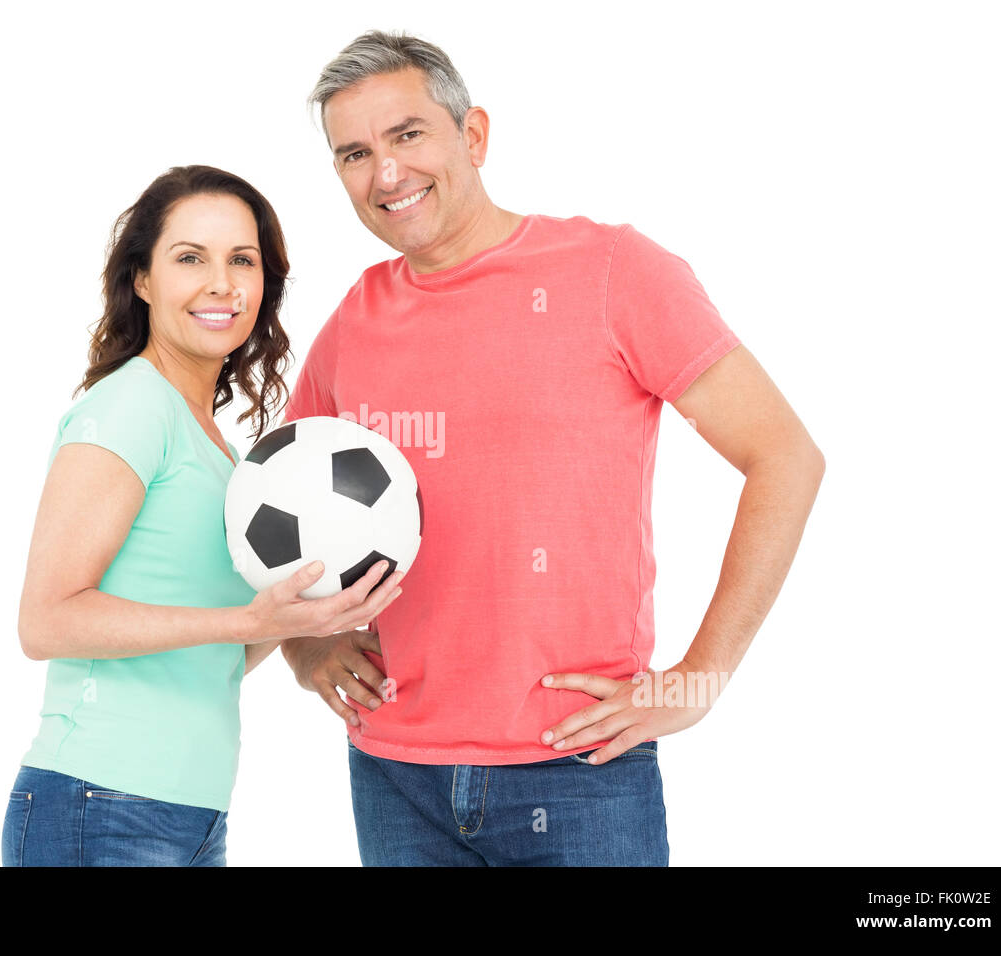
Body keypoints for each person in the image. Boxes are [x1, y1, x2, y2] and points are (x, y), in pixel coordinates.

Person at [280, 32, 826, 866]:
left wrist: (699, 677)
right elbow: (276, 505)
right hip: (393, 772)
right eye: (354, 152)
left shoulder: (611, 270)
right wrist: (304, 645)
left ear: (474, 136)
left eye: (408, 135)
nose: (385, 173)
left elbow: (784, 455)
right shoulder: (356, 319)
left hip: (582, 765)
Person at [1, 165, 404, 867]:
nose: (222, 283)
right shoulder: (128, 408)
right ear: (143, 281)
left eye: (241, 261)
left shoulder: (226, 453)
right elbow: (46, 621)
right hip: (99, 805)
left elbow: (206, 658)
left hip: (186, 817)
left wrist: (298, 620)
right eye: (190, 258)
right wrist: (247, 622)